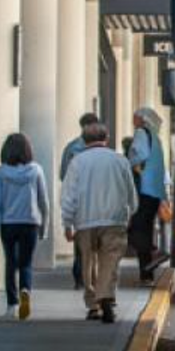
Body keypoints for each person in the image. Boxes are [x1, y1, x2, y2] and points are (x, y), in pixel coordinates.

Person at [61, 124, 138, 322]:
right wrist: (131, 211)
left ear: (84, 140)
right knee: (110, 260)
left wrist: (67, 223)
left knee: (88, 261)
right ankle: (106, 296)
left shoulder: (77, 162)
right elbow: (131, 192)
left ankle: (93, 304)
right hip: (114, 219)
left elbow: (68, 195)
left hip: (84, 220)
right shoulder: (120, 160)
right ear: (107, 138)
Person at [0, 133, 50, 320]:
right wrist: (44, 227)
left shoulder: (1, 172)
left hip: (8, 224)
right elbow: (43, 200)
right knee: (26, 263)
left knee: (11, 263)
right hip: (30, 222)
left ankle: (12, 305)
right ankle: (25, 292)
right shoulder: (36, 170)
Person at [126, 107, 167, 284]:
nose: (133, 120)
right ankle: (149, 262)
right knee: (146, 228)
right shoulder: (156, 137)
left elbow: (140, 154)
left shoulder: (141, 133)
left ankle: (147, 268)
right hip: (154, 191)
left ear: (142, 119)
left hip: (143, 188)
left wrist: (129, 163)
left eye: (134, 117)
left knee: (139, 229)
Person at [61, 112, 101, 290]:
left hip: (85, 198)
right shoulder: (73, 148)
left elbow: (64, 175)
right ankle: (82, 276)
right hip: (87, 199)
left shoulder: (72, 148)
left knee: (88, 239)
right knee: (83, 238)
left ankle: (87, 277)